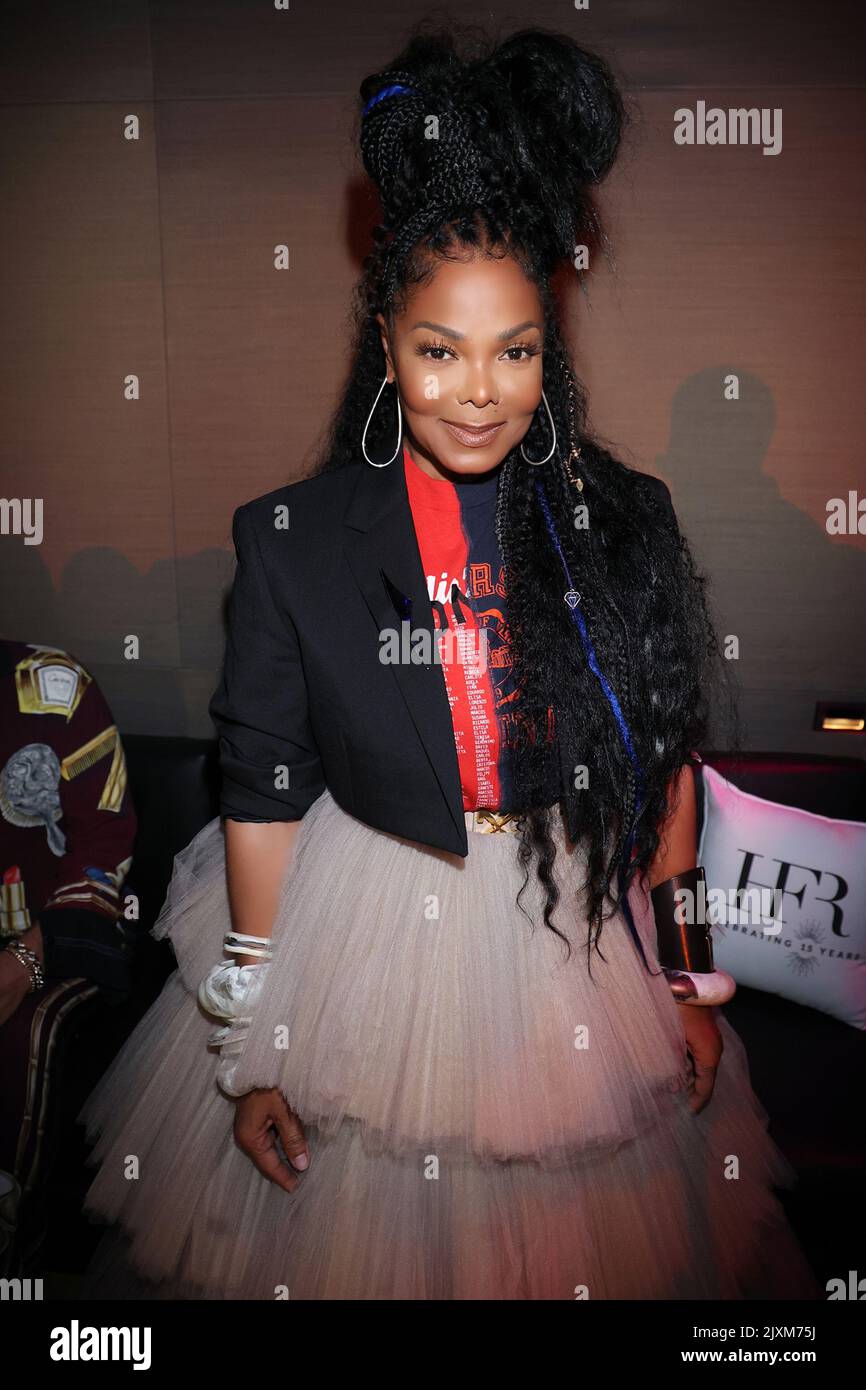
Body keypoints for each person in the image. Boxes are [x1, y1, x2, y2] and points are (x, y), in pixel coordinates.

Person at [75, 26, 820, 1300]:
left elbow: (663, 783)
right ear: (385, 340)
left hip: (573, 948)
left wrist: (691, 980)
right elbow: (256, 803)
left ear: (549, 347)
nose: (478, 391)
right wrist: (250, 1045)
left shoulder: (622, 518)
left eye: (515, 350)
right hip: (362, 933)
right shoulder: (294, 541)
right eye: (439, 349)